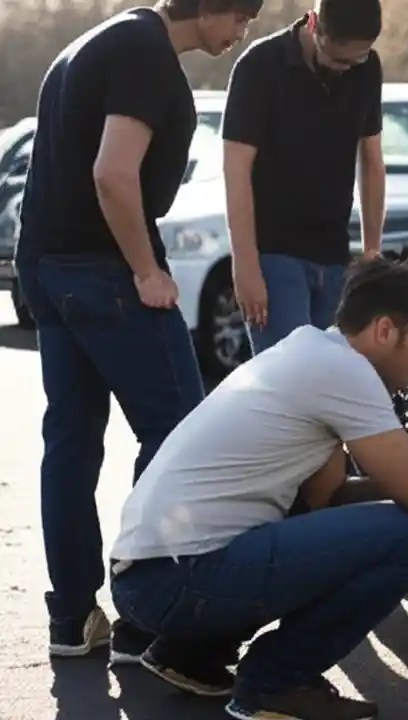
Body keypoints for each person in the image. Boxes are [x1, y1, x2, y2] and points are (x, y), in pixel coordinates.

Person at [109, 257, 408, 719]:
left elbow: (331, 499)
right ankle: (275, 681)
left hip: (150, 581)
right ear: (385, 331)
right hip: (180, 581)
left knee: (333, 519)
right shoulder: (345, 372)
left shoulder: (311, 350)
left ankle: (191, 653)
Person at [14, 0, 259, 665]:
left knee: (70, 440)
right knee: (181, 436)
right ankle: (145, 620)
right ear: (211, 6)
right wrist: (147, 271)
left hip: (50, 267)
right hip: (106, 273)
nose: (244, 31)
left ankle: (72, 619)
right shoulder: (144, 54)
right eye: (242, 16)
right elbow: (112, 173)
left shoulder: (99, 42)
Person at [223, 0, 386, 356]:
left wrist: (372, 251)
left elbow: (372, 160)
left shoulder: (367, 68)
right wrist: (246, 265)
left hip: (333, 255)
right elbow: (236, 170)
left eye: (357, 59)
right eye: (338, 58)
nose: (347, 68)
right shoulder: (260, 66)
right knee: (287, 381)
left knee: (330, 381)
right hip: (274, 256)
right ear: (314, 25)